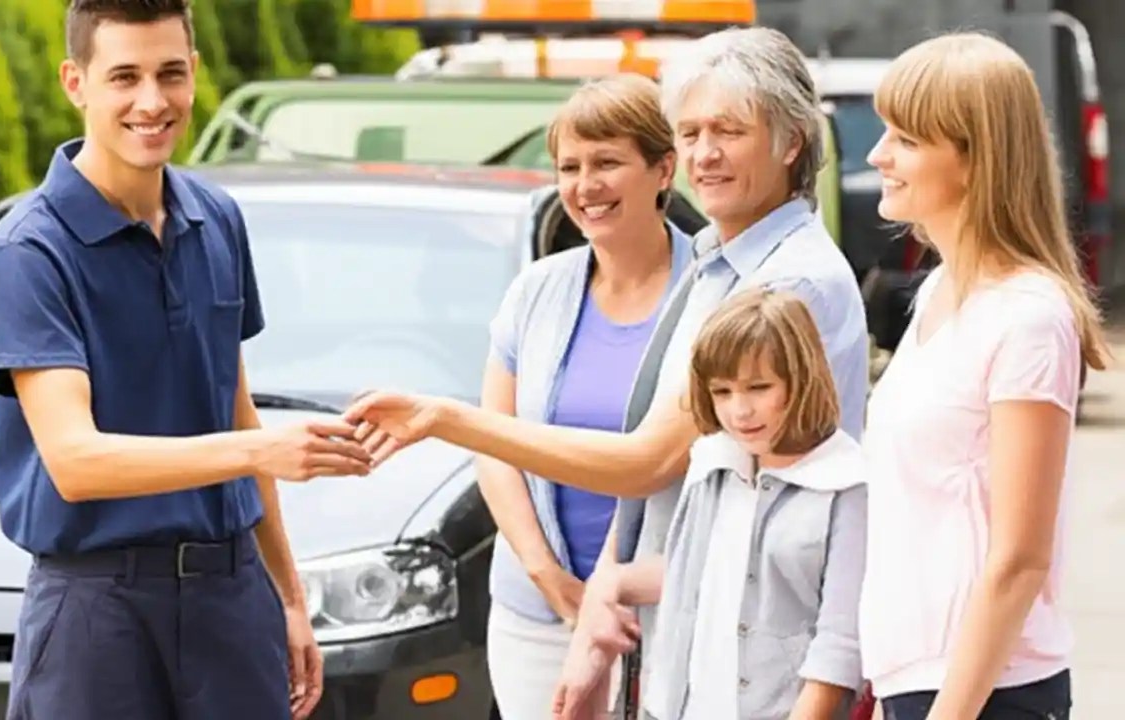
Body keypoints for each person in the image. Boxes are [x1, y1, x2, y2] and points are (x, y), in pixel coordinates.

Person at [347, 25, 869, 708]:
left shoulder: (789, 284)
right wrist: (597, 595)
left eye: (728, 131)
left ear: (791, 141)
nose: (704, 154)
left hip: (758, 659)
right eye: (691, 133)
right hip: (670, 629)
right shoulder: (721, 262)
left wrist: (445, 420)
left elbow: (649, 462)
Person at [0, 2, 371, 719]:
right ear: (76, 82)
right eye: (124, 76)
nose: (152, 102)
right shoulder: (30, 252)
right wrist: (258, 449)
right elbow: (76, 461)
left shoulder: (216, 219)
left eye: (171, 74)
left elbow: (234, 408)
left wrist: (287, 596)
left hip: (232, 597)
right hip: (99, 614)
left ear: (194, 76)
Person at [859, 32, 1111, 720]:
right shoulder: (940, 292)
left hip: (986, 693)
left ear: (975, 159)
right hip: (918, 680)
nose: (878, 155)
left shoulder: (1027, 318)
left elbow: (1019, 559)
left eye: (905, 139)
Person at [477, 74, 694, 720]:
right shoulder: (535, 291)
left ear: (664, 169)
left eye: (607, 162)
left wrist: (602, 594)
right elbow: (494, 445)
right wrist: (550, 579)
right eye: (569, 167)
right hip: (535, 614)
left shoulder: (711, 293)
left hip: (660, 609)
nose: (584, 185)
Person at [553, 287, 867, 720]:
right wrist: (609, 588)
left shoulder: (846, 481)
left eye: (759, 387)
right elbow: (690, 573)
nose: (740, 410)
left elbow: (839, 644)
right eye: (722, 392)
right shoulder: (711, 465)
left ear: (800, 379)